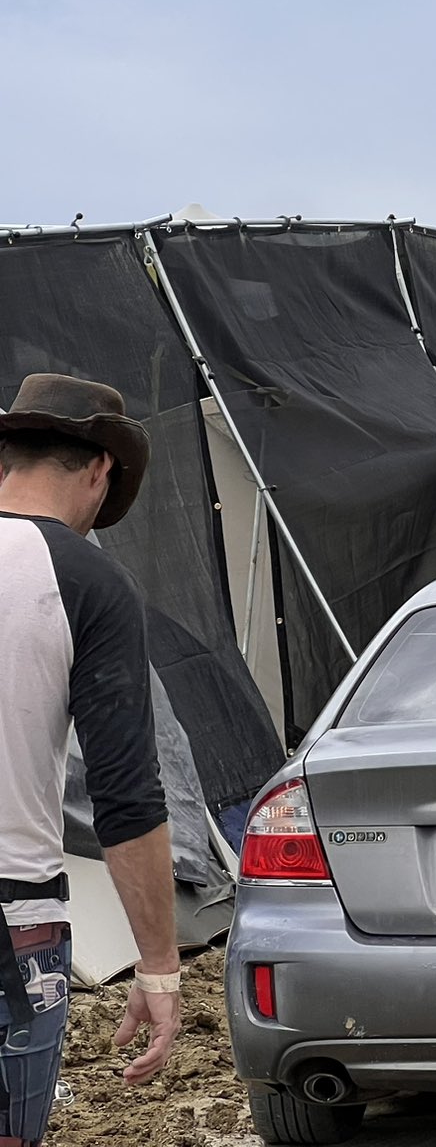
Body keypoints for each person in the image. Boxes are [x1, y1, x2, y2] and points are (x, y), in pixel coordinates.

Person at [0, 375, 180, 1147]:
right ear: (101, 469)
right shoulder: (86, 580)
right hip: (13, 917)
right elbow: (126, 794)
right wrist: (159, 965)